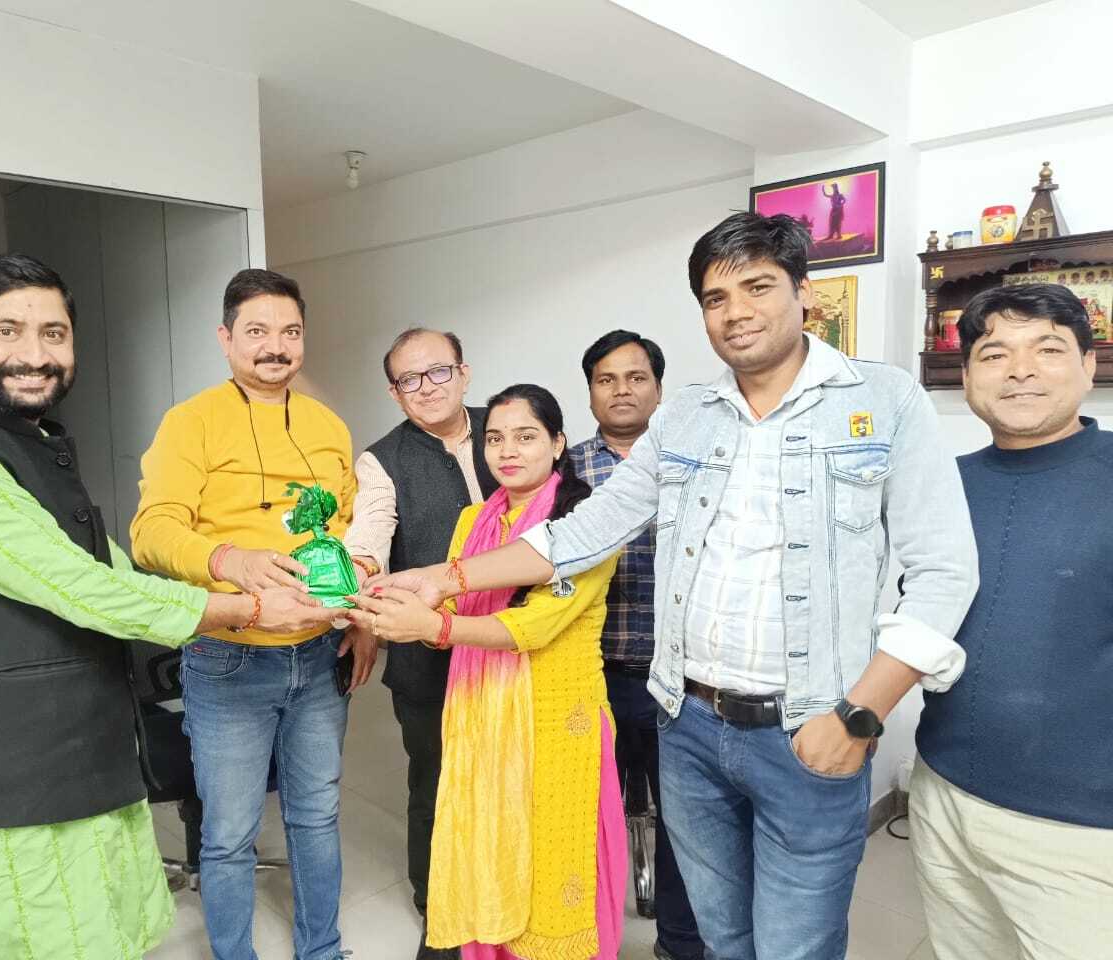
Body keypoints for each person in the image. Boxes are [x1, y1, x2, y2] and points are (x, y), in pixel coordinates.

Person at [370, 213, 979, 960]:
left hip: (809, 725)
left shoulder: (883, 401)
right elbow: (585, 530)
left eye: (758, 287)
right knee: (719, 937)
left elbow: (943, 573)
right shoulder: (687, 415)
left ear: (805, 293)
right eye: (716, 298)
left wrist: (859, 716)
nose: (736, 312)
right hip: (688, 726)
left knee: (794, 946)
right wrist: (442, 577)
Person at [0, 254, 334, 960]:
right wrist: (242, 605)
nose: (35, 354)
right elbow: (84, 587)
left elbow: (111, 570)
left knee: (107, 935)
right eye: (7, 330)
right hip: (1, 788)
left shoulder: (37, 449)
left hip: (87, 757)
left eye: (54, 334)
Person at [130, 268, 366, 960]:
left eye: (290, 331)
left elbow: (349, 533)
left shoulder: (327, 425)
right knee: (230, 832)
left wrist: (361, 619)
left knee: (316, 815)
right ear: (226, 338)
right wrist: (229, 559)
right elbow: (151, 532)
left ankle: (322, 949)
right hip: (228, 657)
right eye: (257, 331)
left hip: (320, 655)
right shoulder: (190, 422)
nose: (275, 346)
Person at [350, 384, 626, 960]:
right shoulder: (474, 519)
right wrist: (380, 599)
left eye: (526, 436)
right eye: (495, 438)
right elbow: (452, 596)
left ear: (557, 443)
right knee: (488, 845)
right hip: (481, 712)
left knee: (553, 866)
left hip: (557, 723)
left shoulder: (590, 522)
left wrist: (432, 627)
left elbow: (535, 626)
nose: (507, 451)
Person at [910, 283, 1113, 959]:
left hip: (1081, 830)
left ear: (1089, 364)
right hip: (943, 792)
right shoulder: (940, 484)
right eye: (995, 354)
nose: (1020, 370)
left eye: (1047, 350)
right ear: (968, 377)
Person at [341, 327, 496, 960]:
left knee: (512, 777)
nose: (427, 388)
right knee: (437, 782)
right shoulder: (383, 460)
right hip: (429, 659)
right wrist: (353, 576)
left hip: (516, 645)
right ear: (394, 392)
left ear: (464, 372)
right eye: (410, 379)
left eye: (439, 372)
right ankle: (440, 908)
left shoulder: (506, 426)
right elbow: (369, 538)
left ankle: (505, 897)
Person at [571, 330, 702, 960]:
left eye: (636, 377)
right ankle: (582, 936)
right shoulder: (565, 469)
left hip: (677, 677)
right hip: (589, 674)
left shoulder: (692, 462)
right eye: (606, 379)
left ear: (658, 386)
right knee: (582, 813)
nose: (621, 390)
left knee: (684, 818)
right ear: (590, 393)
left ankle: (679, 942)